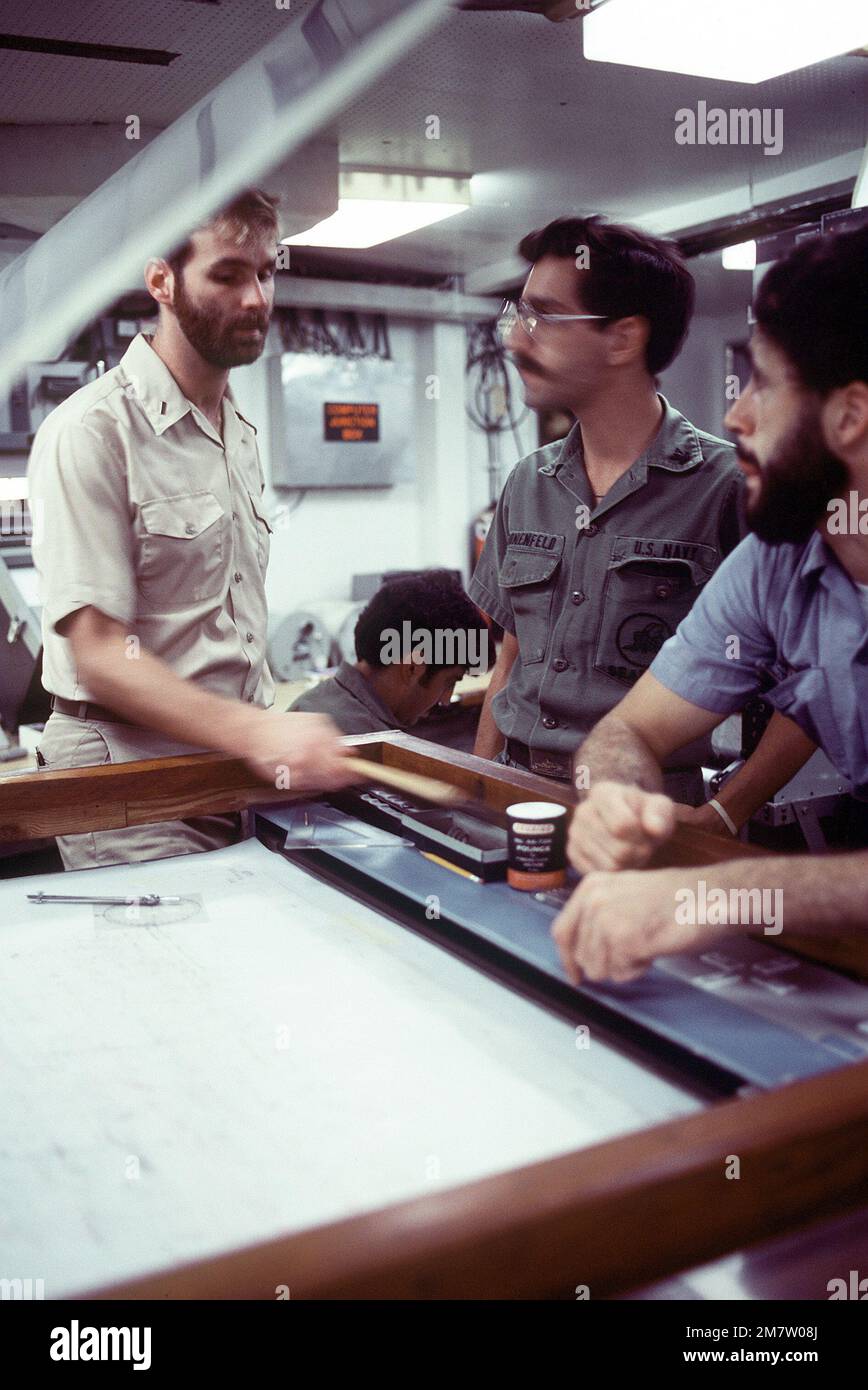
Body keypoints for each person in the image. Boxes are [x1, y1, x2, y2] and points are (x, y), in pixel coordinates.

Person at [552, 224, 868, 984]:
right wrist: (614, 798)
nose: (736, 416)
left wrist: (715, 894)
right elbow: (630, 728)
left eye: (762, 383)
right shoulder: (779, 558)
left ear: (849, 415)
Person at [28, 188, 353, 870]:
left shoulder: (236, 431)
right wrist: (259, 731)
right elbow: (100, 656)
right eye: (228, 274)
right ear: (161, 281)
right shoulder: (91, 432)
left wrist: (256, 734)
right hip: (126, 770)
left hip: (227, 767)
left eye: (266, 272)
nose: (257, 298)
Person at [468, 215, 811, 824]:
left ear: (623, 339)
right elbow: (510, 660)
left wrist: (726, 816)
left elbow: (808, 687)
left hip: (645, 814)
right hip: (516, 794)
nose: (516, 339)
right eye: (517, 314)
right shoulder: (528, 482)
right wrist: (476, 792)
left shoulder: (730, 488)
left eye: (543, 317)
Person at [290, 571, 489, 734]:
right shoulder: (372, 750)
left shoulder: (308, 704)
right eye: (450, 682)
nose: (446, 699)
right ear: (412, 668)